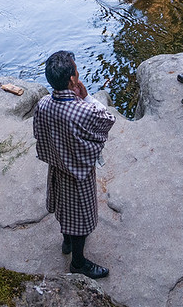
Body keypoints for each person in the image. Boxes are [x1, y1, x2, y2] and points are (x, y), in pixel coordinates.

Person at [32, 50, 116, 279]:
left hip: (57, 168)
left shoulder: (42, 105)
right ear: (73, 80)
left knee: (62, 204)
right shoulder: (84, 110)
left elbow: (39, 134)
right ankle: (78, 262)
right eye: (76, 70)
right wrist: (87, 97)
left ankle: (66, 241)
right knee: (80, 216)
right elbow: (108, 121)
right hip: (79, 173)